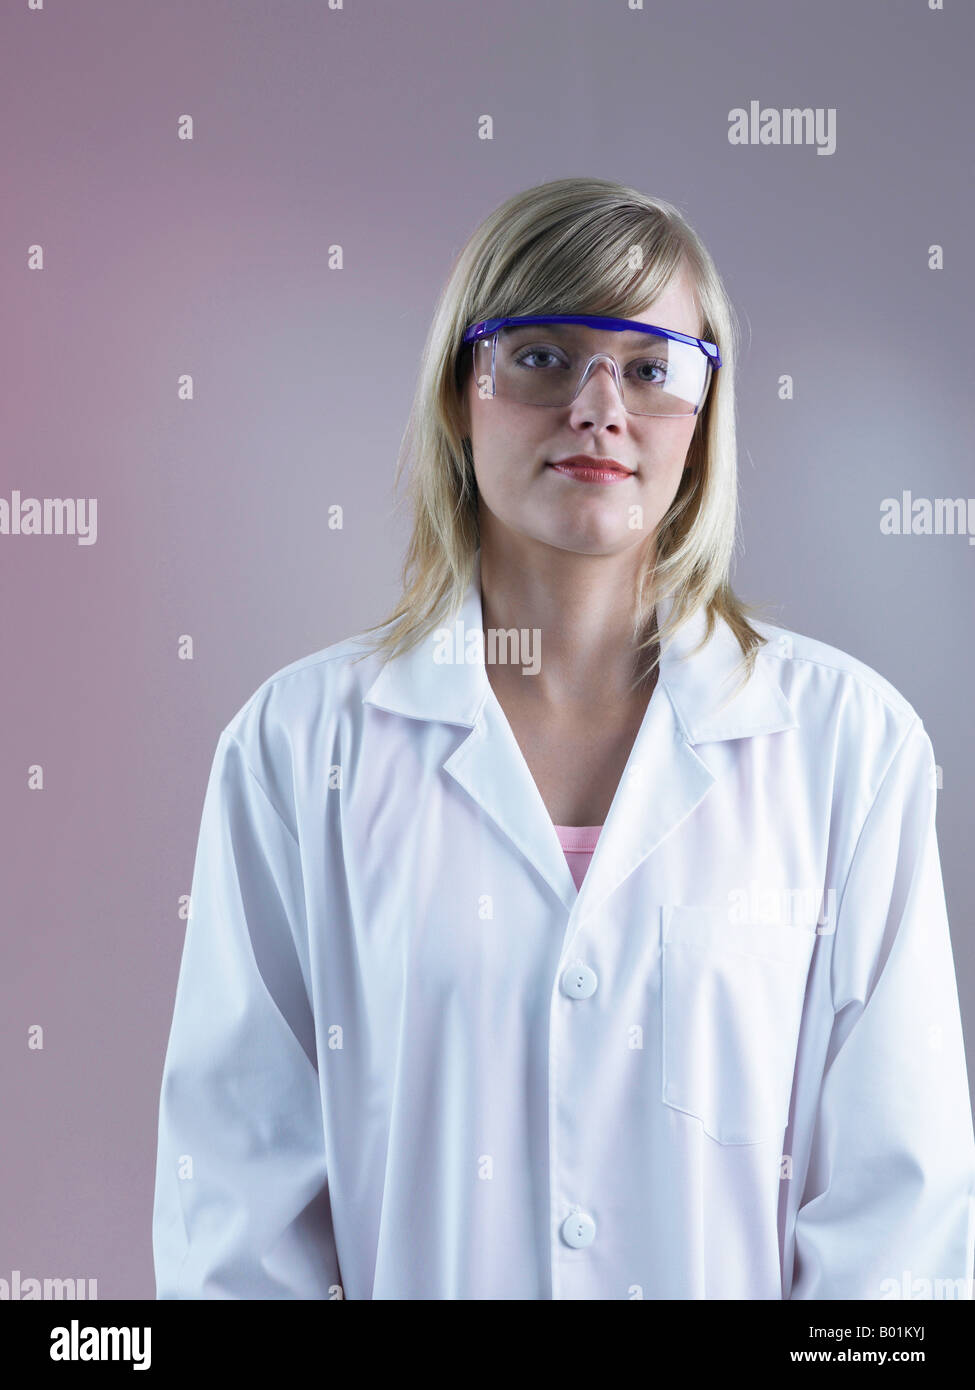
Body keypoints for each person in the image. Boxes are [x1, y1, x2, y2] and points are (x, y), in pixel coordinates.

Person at [152, 176, 975, 1300]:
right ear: (460, 394)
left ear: (706, 413)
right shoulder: (297, 752)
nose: (600, 408)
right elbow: (235, 1213)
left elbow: (900, 1220)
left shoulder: (850, 748)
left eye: (650, 368)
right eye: (541, 356)